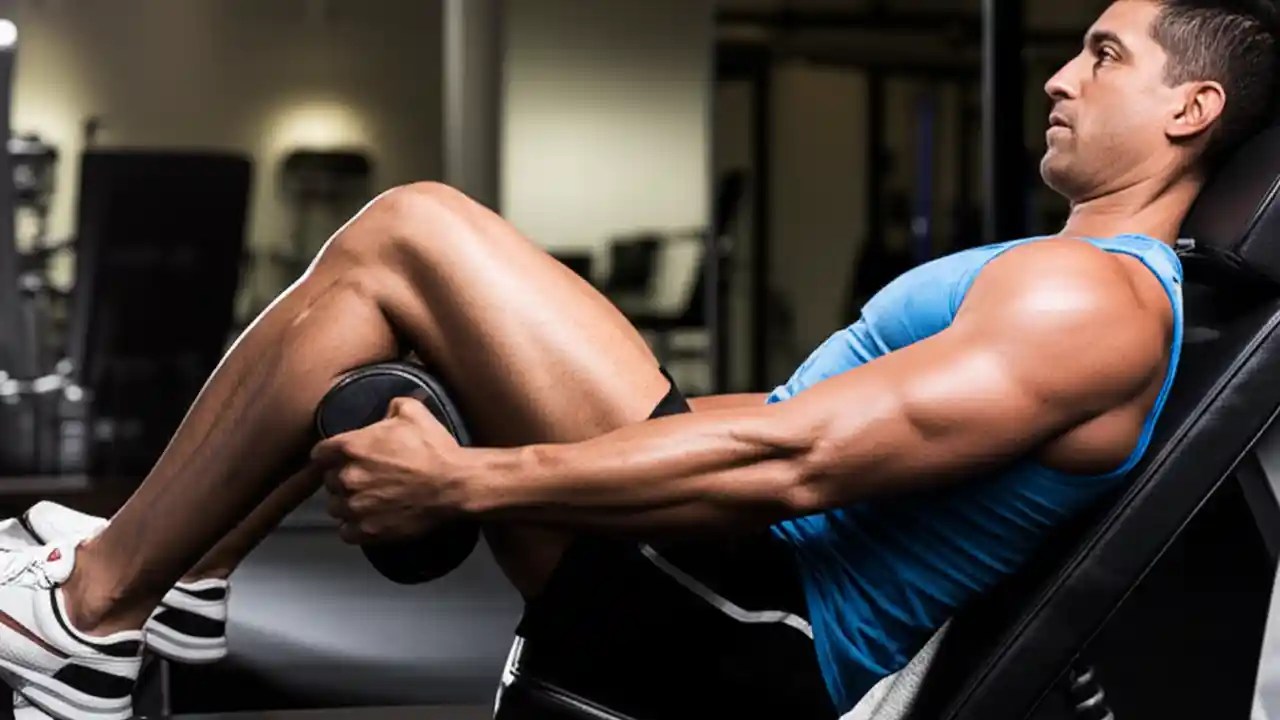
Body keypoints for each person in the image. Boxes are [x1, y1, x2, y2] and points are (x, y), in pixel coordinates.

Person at [0, 1, 1275, 718]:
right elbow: (789, 411)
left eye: (1102, 55)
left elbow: (800, 457)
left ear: (1191, 107)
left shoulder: (1097, 302)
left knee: (411, 232)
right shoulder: (1061, 274)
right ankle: (179, 578)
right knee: (402, 295)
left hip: (743, 630)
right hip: (729, 581)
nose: (1057, 77)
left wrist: (466, 482)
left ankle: (99, 608)